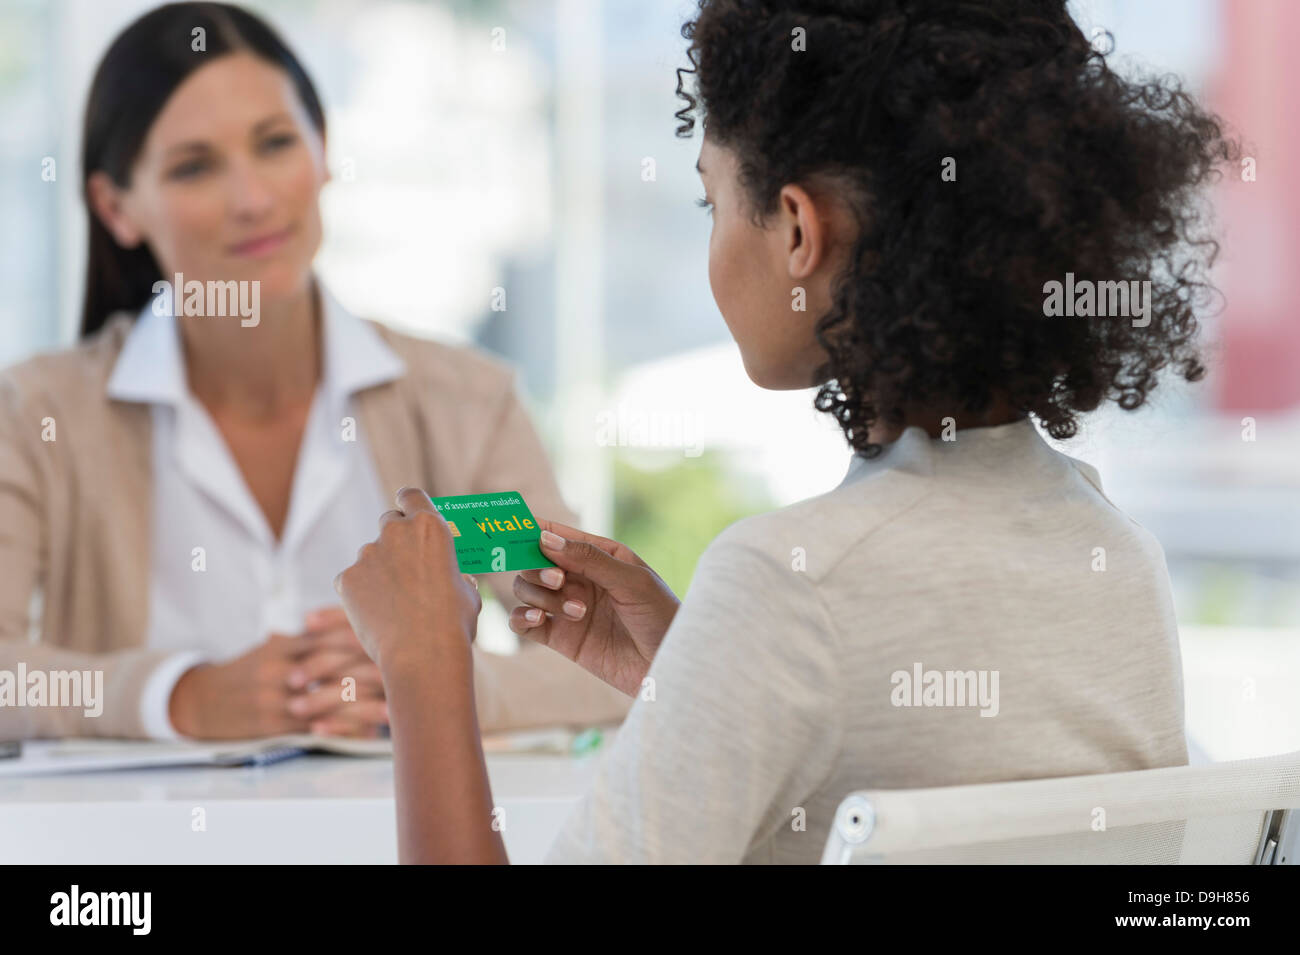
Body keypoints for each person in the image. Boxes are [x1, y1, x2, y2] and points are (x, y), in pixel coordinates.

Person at [321, 0, 1235, 863]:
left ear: (798, 228)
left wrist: (424, 658)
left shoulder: (787, 583)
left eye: (710, 201)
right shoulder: (1113, 555)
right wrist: (696, 672)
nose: (712, 241)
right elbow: (902, 749)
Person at [0, 2, 630, 742]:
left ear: (323, 149)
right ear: (115, 207)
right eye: (195, 166)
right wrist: (175, 696)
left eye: (275, 143)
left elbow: (609, 658)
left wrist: (435, 686)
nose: (253, 199)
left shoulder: (466, 404)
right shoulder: (37, 412)